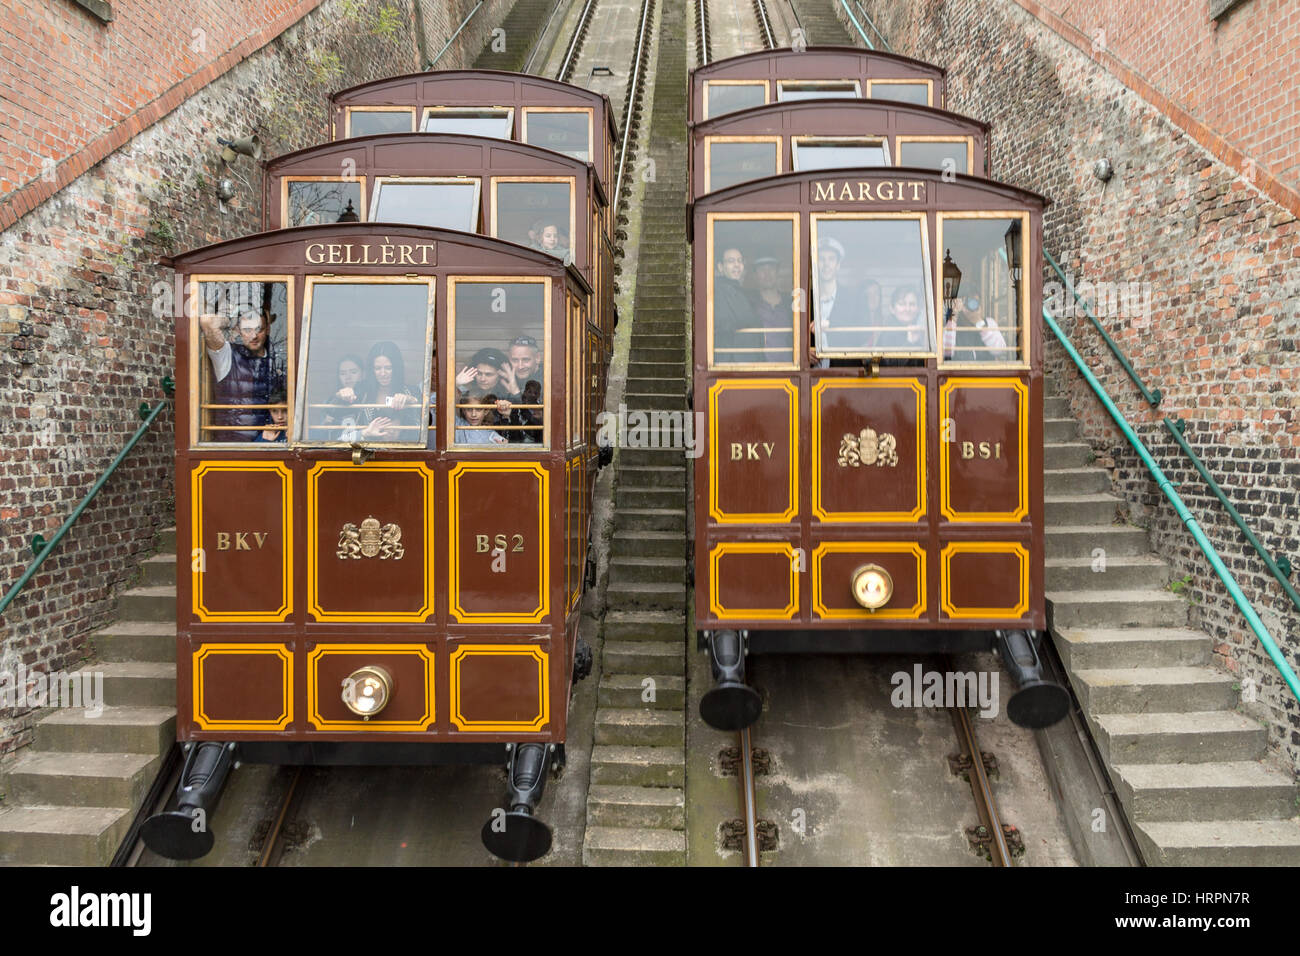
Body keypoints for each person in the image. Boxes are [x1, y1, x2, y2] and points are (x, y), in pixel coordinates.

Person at [199, 309, 286, 441]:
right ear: (239, 331)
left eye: (259, 329)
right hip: (234, 447)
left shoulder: (276, 361)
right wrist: (233, 321)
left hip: (267, 444)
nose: (253, 336)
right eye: (247, 330)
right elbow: (207, 321)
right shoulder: (227, 354)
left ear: (267, 330)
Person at [345, 341, 420, 442]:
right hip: (368, 454)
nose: (383, 373)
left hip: (405, 453)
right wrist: (341, 394)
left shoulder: (411, 392)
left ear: (397, 368)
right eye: (377, 368)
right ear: (372, 370)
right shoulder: (362, 391)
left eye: (388, 368)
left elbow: (427, 422)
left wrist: (412, 400)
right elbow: (342, 433)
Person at [810, 237, 864, 367]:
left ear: (838, 265)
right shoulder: (805, 300)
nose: (826, 264)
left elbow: (862, 335)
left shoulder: (854, 298)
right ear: (815, 264)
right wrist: (805, 350)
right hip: (811, 376)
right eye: (821, 259)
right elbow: (791, 337)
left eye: (831, 259)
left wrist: (831, 326)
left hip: (843, 375)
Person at [712, 246, 759, 362]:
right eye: (731, 261)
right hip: (729, 359)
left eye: (740, 261)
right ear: (720, 267)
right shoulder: (716, 290)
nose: (737, 265)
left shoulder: (740, 291)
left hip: (745, 357)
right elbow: (724, 322)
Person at [749, 256, 793, 363]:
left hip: (790, 366)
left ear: (777, 273)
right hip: (760, 367)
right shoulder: (749, 303)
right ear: (755, 275)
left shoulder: (790, 302)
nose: (767, 274)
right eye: (762, 269)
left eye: (771, 269)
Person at [313, 353, 365, 441]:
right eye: (343, 373)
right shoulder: (330, 402)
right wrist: (337, 397)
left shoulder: (368, 397)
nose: (348, 377)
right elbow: (322, 432)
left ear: (363, 374)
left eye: (353, 372)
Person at [943, 293, 1010, 361]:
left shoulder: (989, 323)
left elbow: (1000, 350)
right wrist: (954, 316)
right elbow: (946, 353)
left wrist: (979, 322)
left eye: (975, 301)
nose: (972, 304)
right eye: (967, 302)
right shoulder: (952, 324)